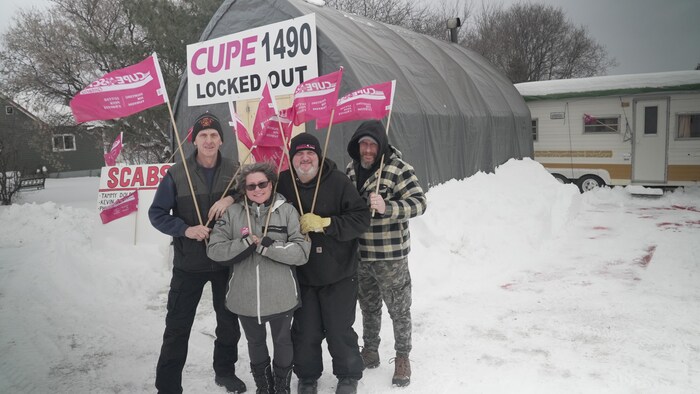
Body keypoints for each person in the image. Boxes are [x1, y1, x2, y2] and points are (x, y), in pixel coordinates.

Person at [149, 112, 246, 394]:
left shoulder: (234, 169)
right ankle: (167, 385)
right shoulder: (177, 173)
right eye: (203, 136)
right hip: (189, 263)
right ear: (194, 141)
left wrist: (231, 197)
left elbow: (252, 194)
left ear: (221, 140)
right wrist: (185, 229)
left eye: (214, 135)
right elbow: (156, 214)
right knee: (177, 326)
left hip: (225, 261)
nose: (209, 140)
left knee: (228, 324)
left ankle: (225, 372)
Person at [276, 133, 370, 394]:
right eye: (299, 154)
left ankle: (348, 375)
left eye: (310, 153)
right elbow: (257, 198)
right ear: (292, 157)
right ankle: (307, 377)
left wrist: (327, 223)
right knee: (305, 331)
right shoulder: (281, 182)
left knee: (340, 328)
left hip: (339, 271)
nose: (305, 158)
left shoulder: (338, 181)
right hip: (301, 274)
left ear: (318, 156)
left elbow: (361, 219)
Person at [207, 162, 311, 394]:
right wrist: (245, 243)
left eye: (262, 183)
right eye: (251, 185)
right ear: (244, 189)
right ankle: (264, 387)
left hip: (281, 296)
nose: (257, 189)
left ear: (271, 184)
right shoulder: (232, 213)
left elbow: (302, 252)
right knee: (255, 342)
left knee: (283, 341)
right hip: (245, 297)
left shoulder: (288, 211)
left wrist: (267, 246)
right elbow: (214, 249)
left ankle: (282, 387)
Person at [345, 120, 427, 387]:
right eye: (363, 145)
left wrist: (388, 207)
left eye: (372, 144)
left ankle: (402, 357)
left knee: (399, 309)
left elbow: (419, 203)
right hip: (361, 255)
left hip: (390, 257)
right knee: (368, 307)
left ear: (380, 145)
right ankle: (370, 350)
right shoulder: (351, 170)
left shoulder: (398, 169)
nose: (367, 150)